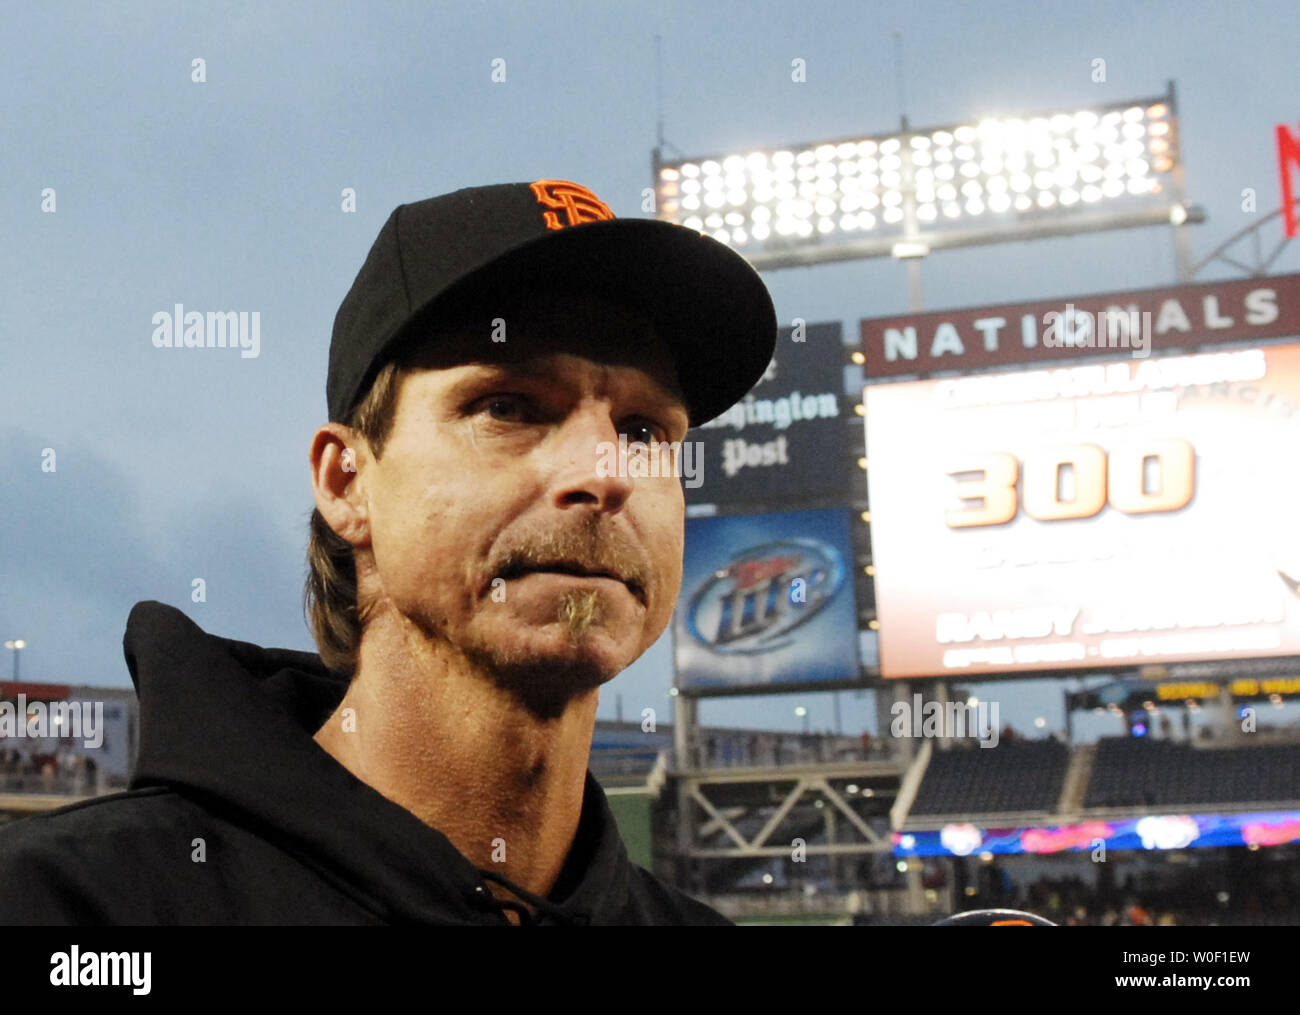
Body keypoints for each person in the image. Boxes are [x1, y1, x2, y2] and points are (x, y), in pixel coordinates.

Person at [0, 179, 776, 925]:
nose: (605, 474)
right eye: (508, 407)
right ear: (346, 482)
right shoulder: (66, 902)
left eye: (644, 431)